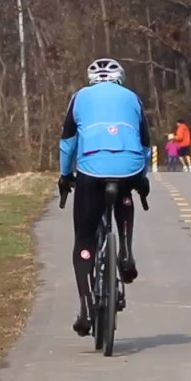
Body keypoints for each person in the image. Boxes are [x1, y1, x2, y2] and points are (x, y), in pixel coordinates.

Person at [59, 58, 152, 336]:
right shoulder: (133, 98)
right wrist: (142, 176)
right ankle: (125, 251)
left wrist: (65, 176)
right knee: (126, 193)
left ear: (91, 79)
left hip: (91, 169)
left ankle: (87, 308)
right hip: (129, 166)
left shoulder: (79, 98)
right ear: (119, 79)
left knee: (84, 239)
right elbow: (146, 142)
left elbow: (68, 143)